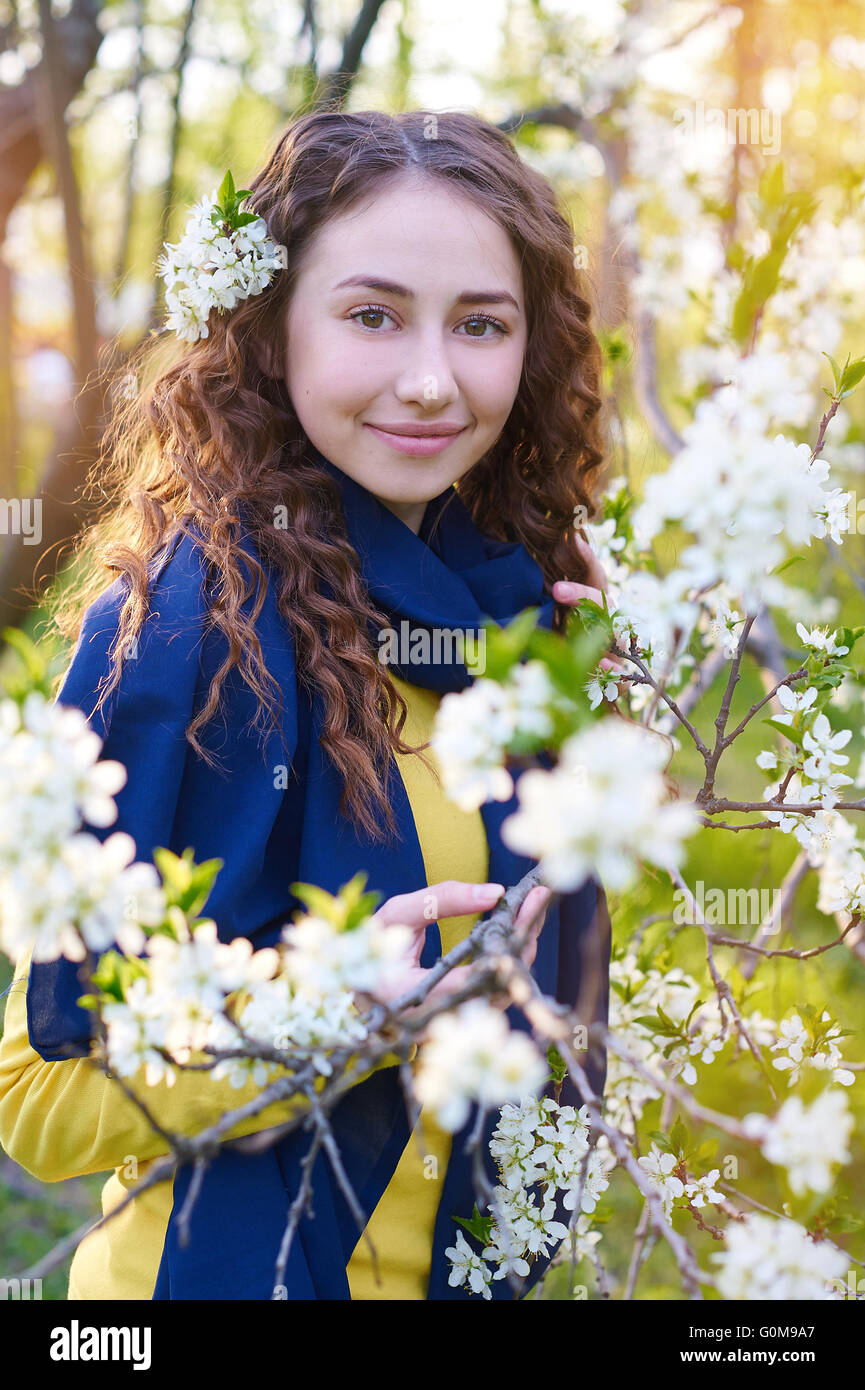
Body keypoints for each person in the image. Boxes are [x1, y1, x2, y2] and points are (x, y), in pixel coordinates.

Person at [0, 108, 613, 1301]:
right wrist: (317, 1010)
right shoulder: (175, 634)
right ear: (273, 333)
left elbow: (567, 1003)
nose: (432, 380)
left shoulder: (536, 628)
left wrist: (613, 699)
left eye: (479, 324)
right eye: (372, 314)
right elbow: (32, 1091)